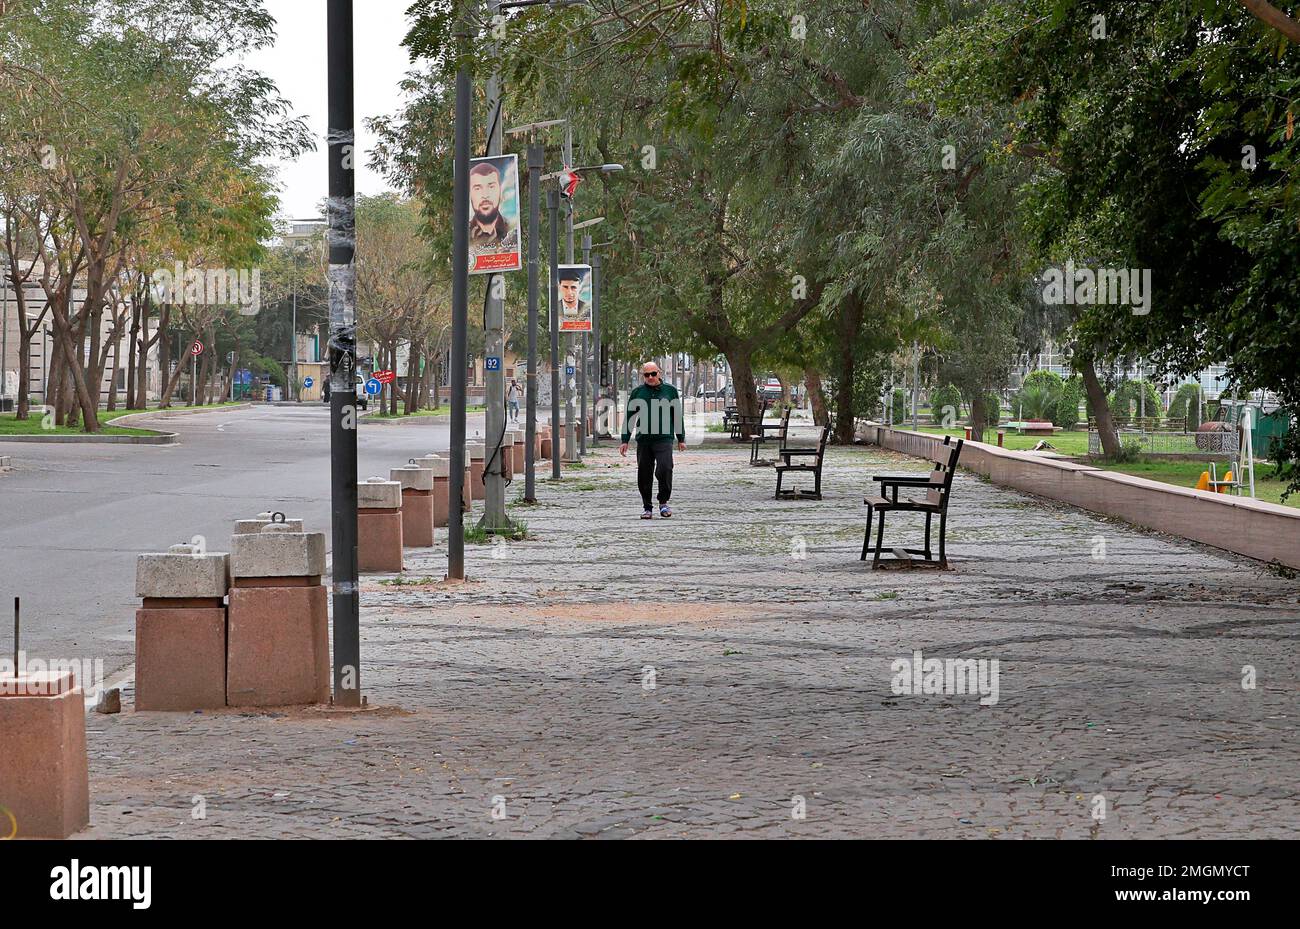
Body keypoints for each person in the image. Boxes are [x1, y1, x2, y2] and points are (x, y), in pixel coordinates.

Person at [620, 362, 686, 519]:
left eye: (653, 374)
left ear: (659, 373)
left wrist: (681, 438)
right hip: (644, 439)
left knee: (665, 468)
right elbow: (630, 417)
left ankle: (663, 502)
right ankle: (647, 507)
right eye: (646, 375)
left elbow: (677, 415)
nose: (650, 377)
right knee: (644, 473)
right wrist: (625, 440)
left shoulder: (670, 391)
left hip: (664, 438)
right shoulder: (638, 393)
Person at [469, 161, 519, 252]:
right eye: (477, 188)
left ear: (500, 192)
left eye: (491, 187)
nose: (485, 195)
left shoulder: (512, 230)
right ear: (470, 195)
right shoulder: (463, 235)